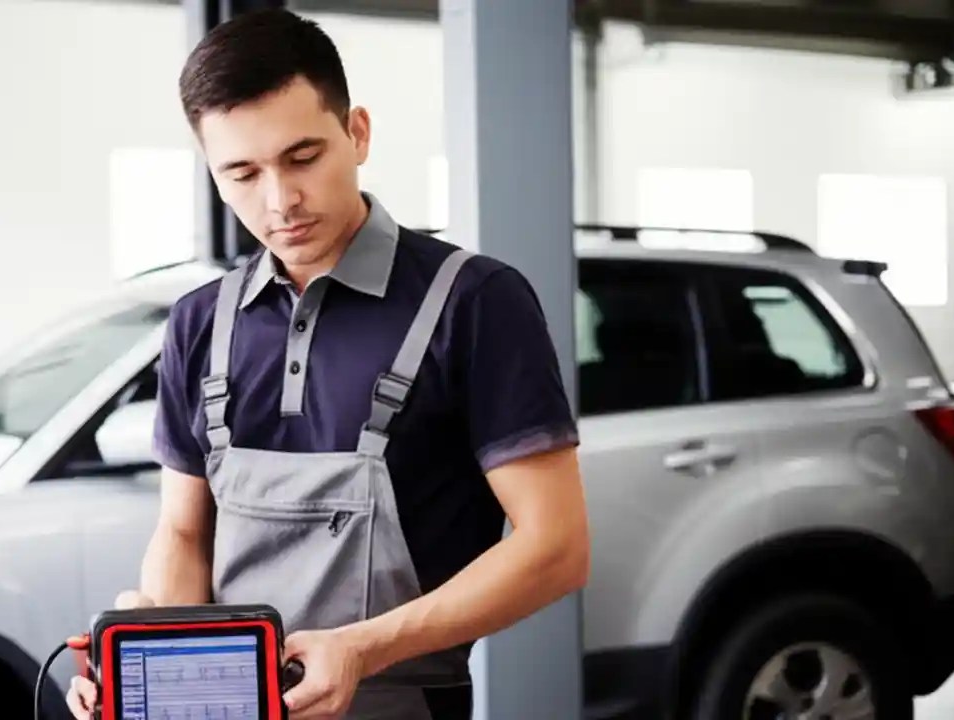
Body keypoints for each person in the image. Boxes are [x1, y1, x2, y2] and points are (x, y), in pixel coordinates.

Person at [68, 8, 589, 720]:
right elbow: (185, 532)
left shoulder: (475, 302)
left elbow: (557, 547)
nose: (280, 201)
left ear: (358, 133)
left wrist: (363, 650)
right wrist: (145, 647)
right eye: (242, 173)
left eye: (302, 157)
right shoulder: (198, 323)